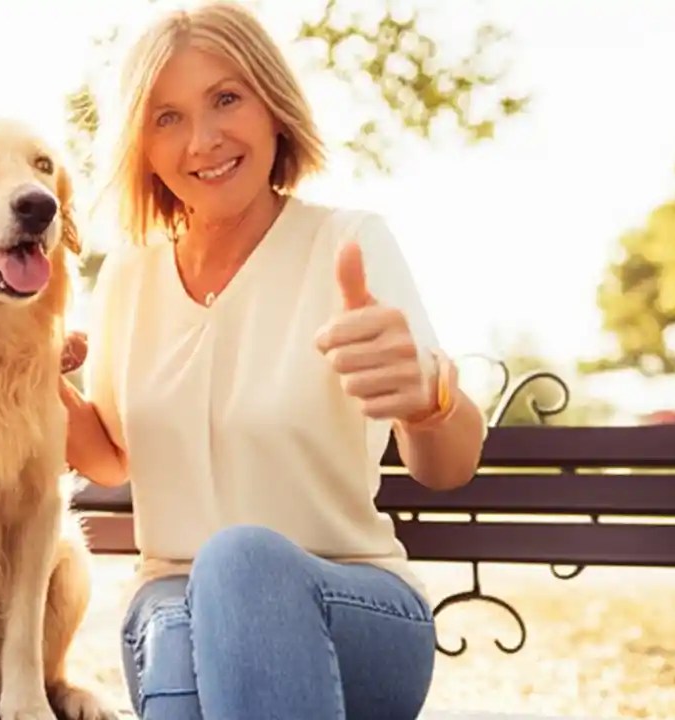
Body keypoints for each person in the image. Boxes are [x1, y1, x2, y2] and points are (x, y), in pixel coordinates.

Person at [60, 2, 488, 718]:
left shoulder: (349, 244)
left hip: (353, 609)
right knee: (182, 621)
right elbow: (110, 457)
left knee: (239, 562)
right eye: (166, 117)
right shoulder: (129, 276)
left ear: (274, 109)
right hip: (173, 611)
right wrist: (33, 378)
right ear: (142, 142)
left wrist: (426, 398)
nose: (203, 139)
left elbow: (447, 466)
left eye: (227, 98)